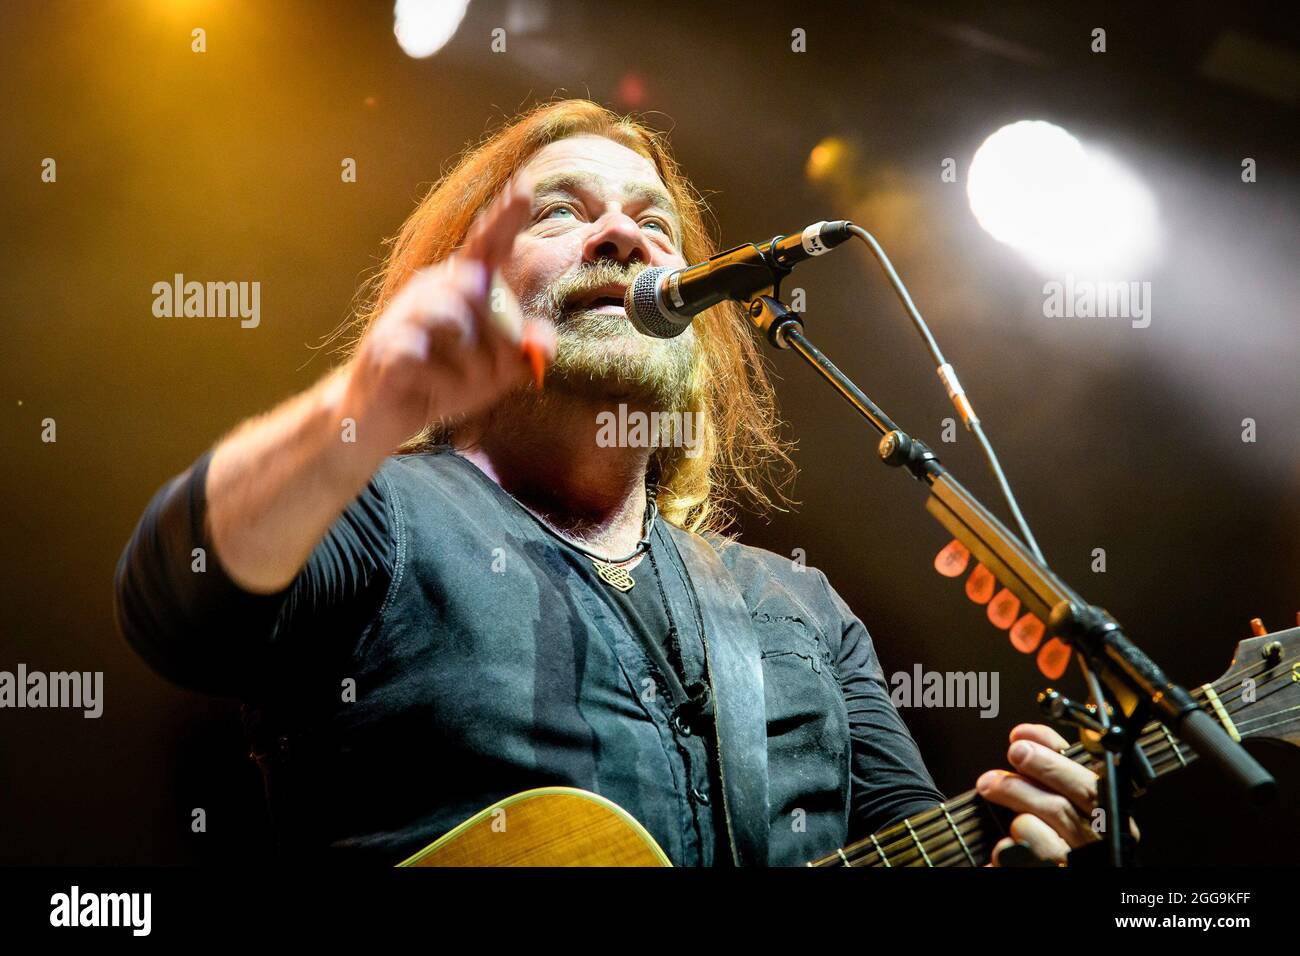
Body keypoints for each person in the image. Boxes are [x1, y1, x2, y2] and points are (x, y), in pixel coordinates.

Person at [115, 98, 1118, 867]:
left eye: (655, 224)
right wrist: (366, 401)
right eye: (561, 213)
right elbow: (174, 599)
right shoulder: (382, 514)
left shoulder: (799, 609)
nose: (623, 237)